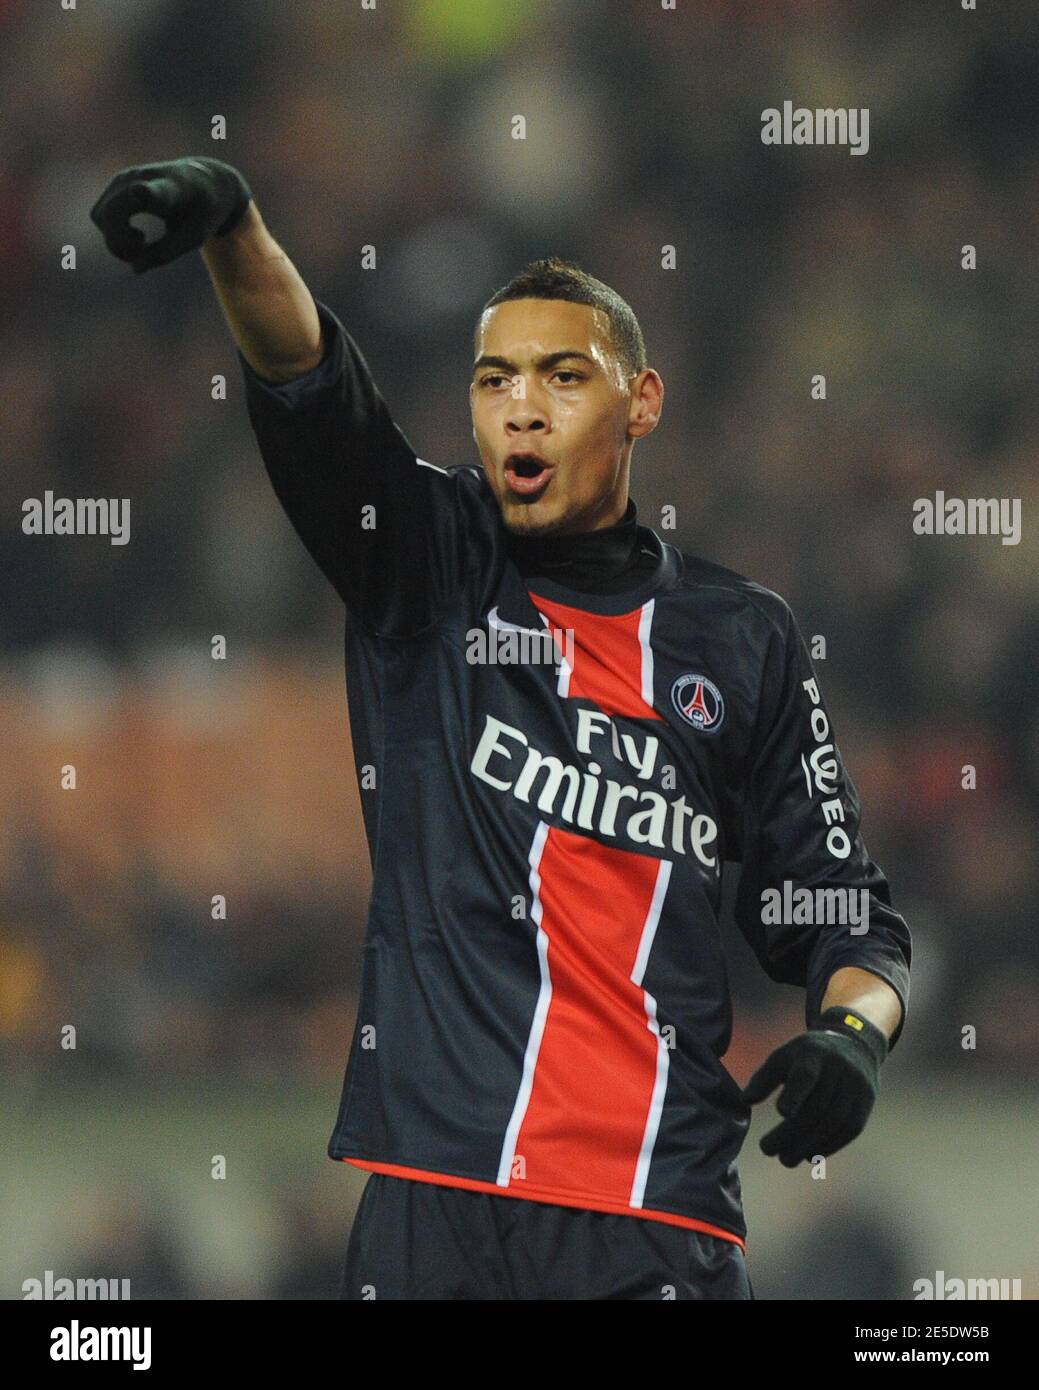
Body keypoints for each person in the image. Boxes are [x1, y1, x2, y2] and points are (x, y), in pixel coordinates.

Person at [90, 157, 912, 1301]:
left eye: (562, 376)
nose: (520, 404)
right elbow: (307, 371)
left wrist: (853, 1039)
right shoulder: (421, 562)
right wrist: (234, 223)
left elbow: (845, 914)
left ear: (642, 402)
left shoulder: (743, 639)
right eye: (493, 379)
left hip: (647, 1212)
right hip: (435, 1201)